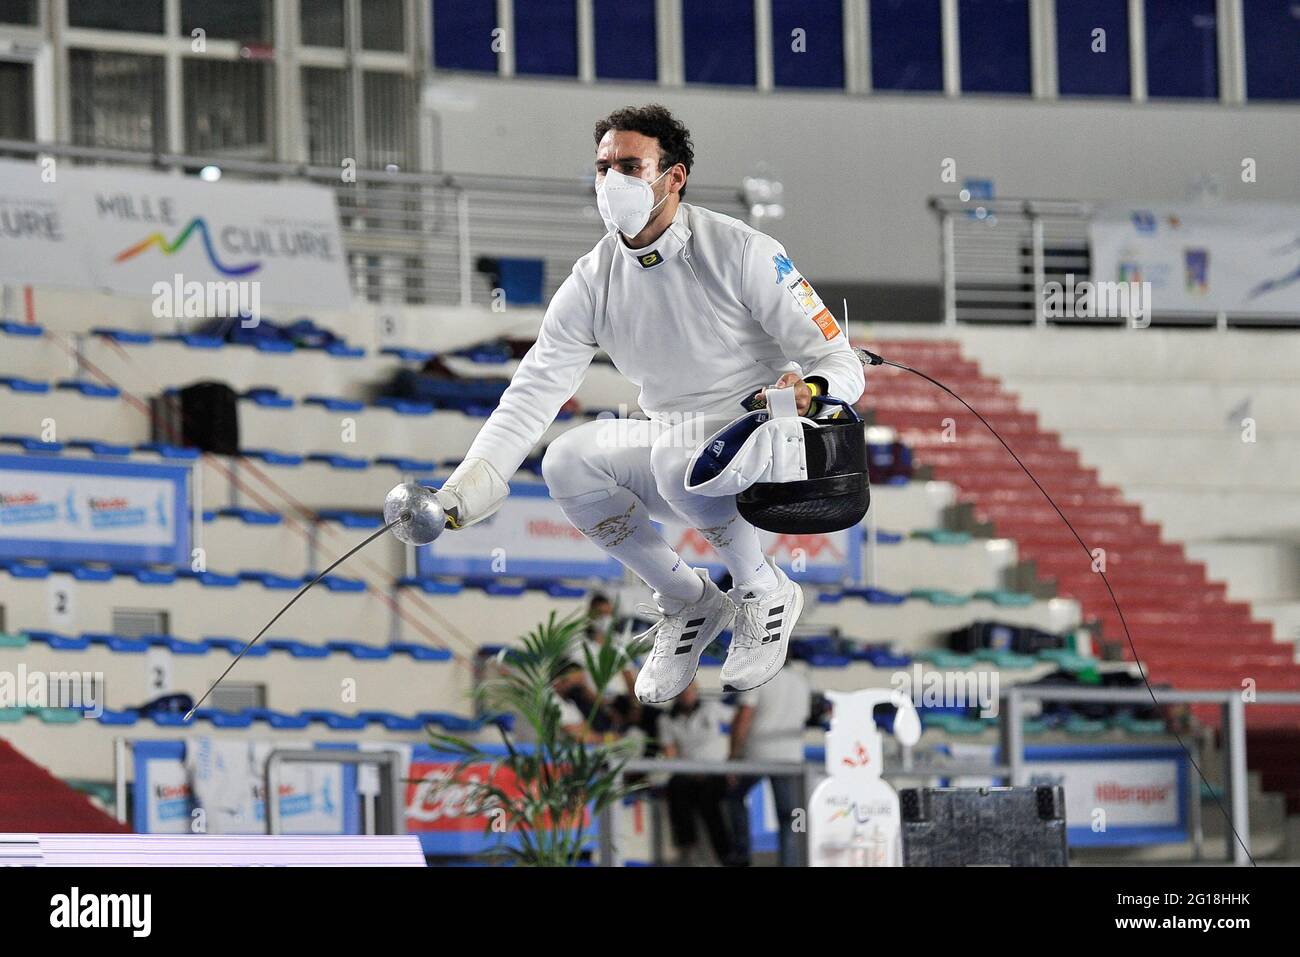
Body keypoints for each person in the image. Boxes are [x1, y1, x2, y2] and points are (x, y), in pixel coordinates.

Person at [423, 104, 865, 704]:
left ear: (673, 176)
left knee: (675, 455)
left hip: (771, 451)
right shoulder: (591, 280)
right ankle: (689, 598)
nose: (612, 181)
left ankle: (764, 588)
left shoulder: (741, 250)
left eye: (630, 165)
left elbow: (838, 359)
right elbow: (532, 392)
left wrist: (809, 391)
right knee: (567, 462)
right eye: (603, 166)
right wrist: (468, 485)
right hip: (681, 451)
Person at [725, 663, 811, 867]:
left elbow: (744, 717)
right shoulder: (802, 681)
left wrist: (734, 757)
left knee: (734, 796)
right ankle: (790, 863)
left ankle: (742, 854)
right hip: (790, 757)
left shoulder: (758, 676)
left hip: (758, 755)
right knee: (789, 817)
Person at [659, 680, 733, 865]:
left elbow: (740, 722)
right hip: (687, 775)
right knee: (676, 786)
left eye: (689, 690)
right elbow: (670, 754)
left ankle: (726, 855)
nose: (686, 694)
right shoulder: (666, 720)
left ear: (696, 690)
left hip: (716, 772)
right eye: (681, 691)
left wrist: (734, 758)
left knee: (709, 799)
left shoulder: (712, 708)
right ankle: (688, 850)